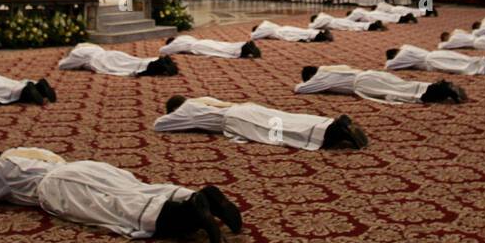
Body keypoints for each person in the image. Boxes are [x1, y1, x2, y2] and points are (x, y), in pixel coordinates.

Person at [0, 148, 243, 243]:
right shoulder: (35, 153)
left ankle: (191, 213)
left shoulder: (2, 167)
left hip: (58, 185)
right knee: (138, 189)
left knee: (118, 208)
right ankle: (198, 195)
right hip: (85, 167)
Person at [153, 96, 368, 150]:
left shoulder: (185, 109)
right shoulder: (200, 100)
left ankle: (333, 133)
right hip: (244, 108)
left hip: (235, 119)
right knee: (286, 118)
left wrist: (174, 113)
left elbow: (159, 124)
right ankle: (331, 124)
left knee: (276, 131)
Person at [296, 65, 467, 104]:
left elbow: (300, 89)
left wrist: (304, 82)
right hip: (369, 74)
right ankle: (439, 86)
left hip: (363, 83)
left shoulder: (319, 77)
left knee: (402, 94)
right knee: (404, 86)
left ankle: (442, 91)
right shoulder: (330, 69)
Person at [385, 45, 485, 76]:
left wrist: (391, 59)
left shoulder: (401, 56)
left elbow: (389, 66)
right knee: (465, 59)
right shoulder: (407, 47)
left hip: (432, 62)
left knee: (463, 67)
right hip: (436, 54)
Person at [58, 43, 178, 77]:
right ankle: (160, 61)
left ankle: (160, 66)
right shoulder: (93, 46)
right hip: (111, 54)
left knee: (129, 68)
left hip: (102, 61)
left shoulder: (76, 53)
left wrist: (67, 57)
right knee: (134, 61)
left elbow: (63, 65)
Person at [160, 35, 261, 59]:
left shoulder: (176, 42)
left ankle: (244, 50)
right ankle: (243, 45)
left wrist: (168, 46)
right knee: (223, 45)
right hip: (203, 41)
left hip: (198, 46)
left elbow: (163, 50)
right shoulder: (184, 36)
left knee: (220, 51)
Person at [250, 20, 330, 43]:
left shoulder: (263, 28)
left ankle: (318, 35)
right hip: (284, 29)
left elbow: (253, 36)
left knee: (299, 33)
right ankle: (319, 34)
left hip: (282, 32)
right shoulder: (267, 24)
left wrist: (254, 31)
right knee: (301, 31)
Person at [309, 12, 384, 32]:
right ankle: (372, 25)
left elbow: (315, 26)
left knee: (352, 26)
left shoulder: (320, 18)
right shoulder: (324, 16)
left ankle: (373, 26)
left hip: (336, 23)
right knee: (353, 24)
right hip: (338, 21)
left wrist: (311, 24)